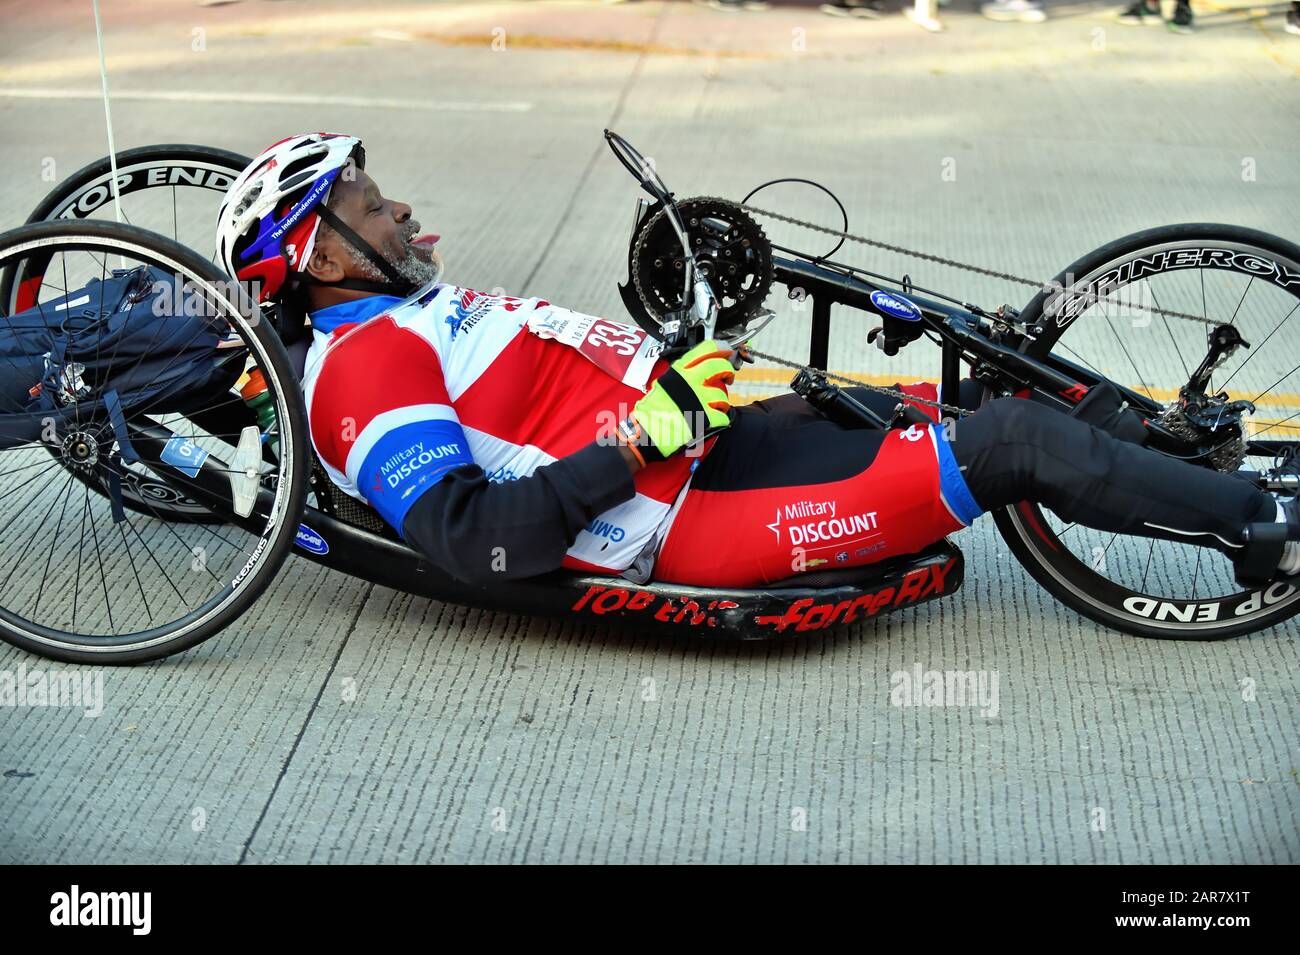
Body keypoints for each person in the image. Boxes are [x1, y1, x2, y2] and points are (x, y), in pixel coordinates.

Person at [216, 133, 1300, 590]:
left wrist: (675, 354)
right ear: (318, 250)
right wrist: (640, 435)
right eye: (370, 204)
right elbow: (472, 542)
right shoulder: (362, 374)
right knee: (1011, 441)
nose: (399, 205)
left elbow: (558, 383)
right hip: (688, 518)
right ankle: (1258, 522)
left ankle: (1206, 460)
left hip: (721, 439)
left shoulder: (409, 303)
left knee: (989, 386)